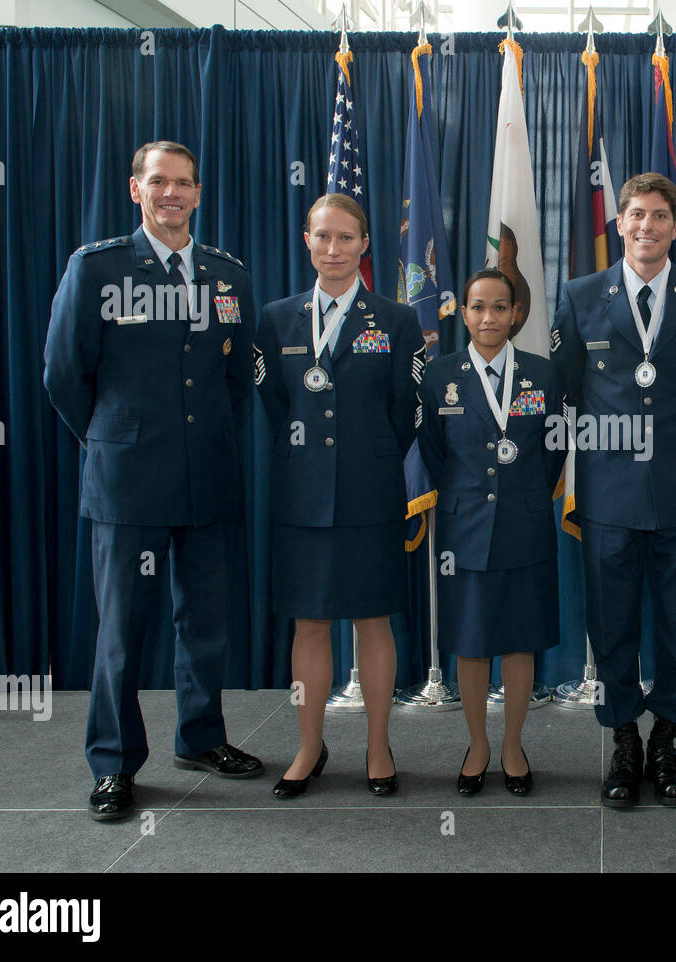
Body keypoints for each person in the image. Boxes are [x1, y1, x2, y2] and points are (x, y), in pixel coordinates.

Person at [44, 140, 263, 821]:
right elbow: (63, 374)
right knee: (123, 631)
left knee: (205, 624)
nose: (173, 193)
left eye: (185, 183)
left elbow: (238, 379)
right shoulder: (98, 268)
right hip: (128, 483)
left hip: (207, 479)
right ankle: (113, 762)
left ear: (199, 193)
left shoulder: (229, 277)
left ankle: (200, 739)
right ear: (135, 189)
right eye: (159, 181)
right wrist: (114, 439)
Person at [551, 172, 676, 807]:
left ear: (675, 226)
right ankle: (624, 740)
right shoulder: (579, 296)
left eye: (660, 216)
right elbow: (569, 388)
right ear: (619, 223)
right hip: (609, 493)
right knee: (613, 621)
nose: (647, 226)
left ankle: (667, 742)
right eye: (636, 215)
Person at [253, 193, 425, 799]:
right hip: (302, 494)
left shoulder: (396, 320)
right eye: (323, 237)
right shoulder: (275, 318)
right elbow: (276, 404)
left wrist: (366, 455)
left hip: (369, 494)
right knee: (309, 625)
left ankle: (379, 746)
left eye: (346, 238)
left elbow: (406, 411)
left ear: (364, 245)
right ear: (307, 240)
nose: (334, 249)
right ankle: (308, 745)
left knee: (373, 622)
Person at [417, 269, 565, 795]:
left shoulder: (544, 376)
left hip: (524, 524)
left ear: (515, 314)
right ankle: (478, 744)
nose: (488, 318)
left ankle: (512, 745)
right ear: (464, 312)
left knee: (520, 642)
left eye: (500, 307)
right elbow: (435, 451)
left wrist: (522, 495)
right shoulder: (439, 377)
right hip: (465, 530)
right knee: (473, 642)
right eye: (478, 307)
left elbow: (554, 450)